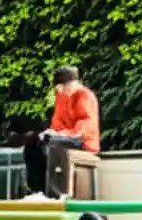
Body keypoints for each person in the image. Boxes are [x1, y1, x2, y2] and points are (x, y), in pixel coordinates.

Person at [22, 65, 101, 200]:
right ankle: (36, 189)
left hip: (83, 140)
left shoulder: (84, 96)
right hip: (65, 136)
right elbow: (57, 122)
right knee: (33, 146)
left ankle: (55, 193)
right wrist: (51, 132)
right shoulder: (62, 97)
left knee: (52, 146)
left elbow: (84, 125)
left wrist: (62, 134)